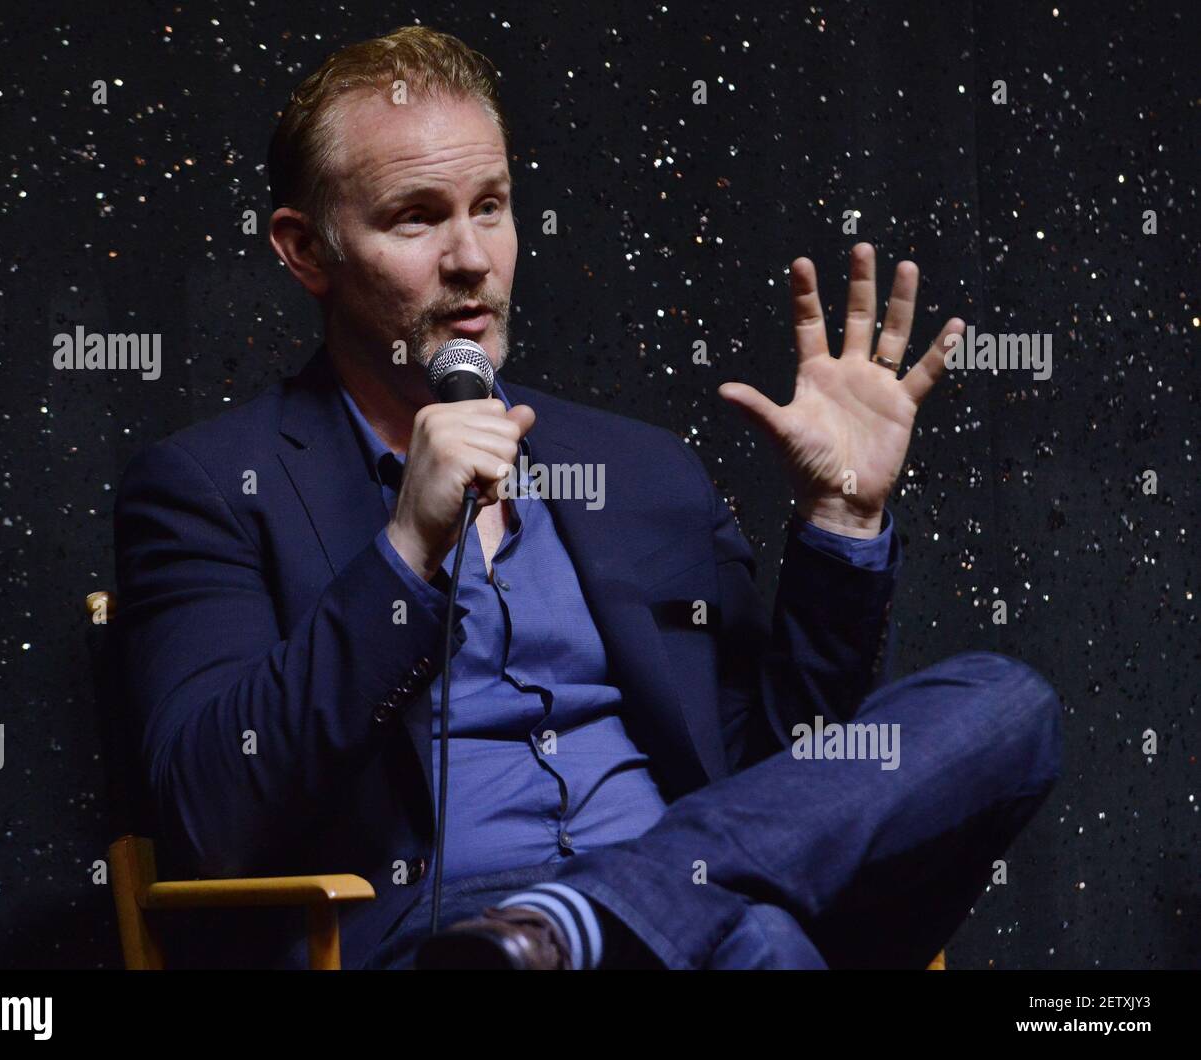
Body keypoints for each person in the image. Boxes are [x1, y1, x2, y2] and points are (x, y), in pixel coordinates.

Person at [114, 25, 1061, 971]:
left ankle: (580, 922)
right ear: (304, 250)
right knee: (763, 942)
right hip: (430, 941)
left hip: (684, 900)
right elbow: (208, 817)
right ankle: (574, 929)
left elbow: (776, 773)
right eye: (415, 218)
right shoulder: (210, 487)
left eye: (491, 207)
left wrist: (841, 520)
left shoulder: (641, 471)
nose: (472, 258)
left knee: (1004, 705)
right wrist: (407, 551)